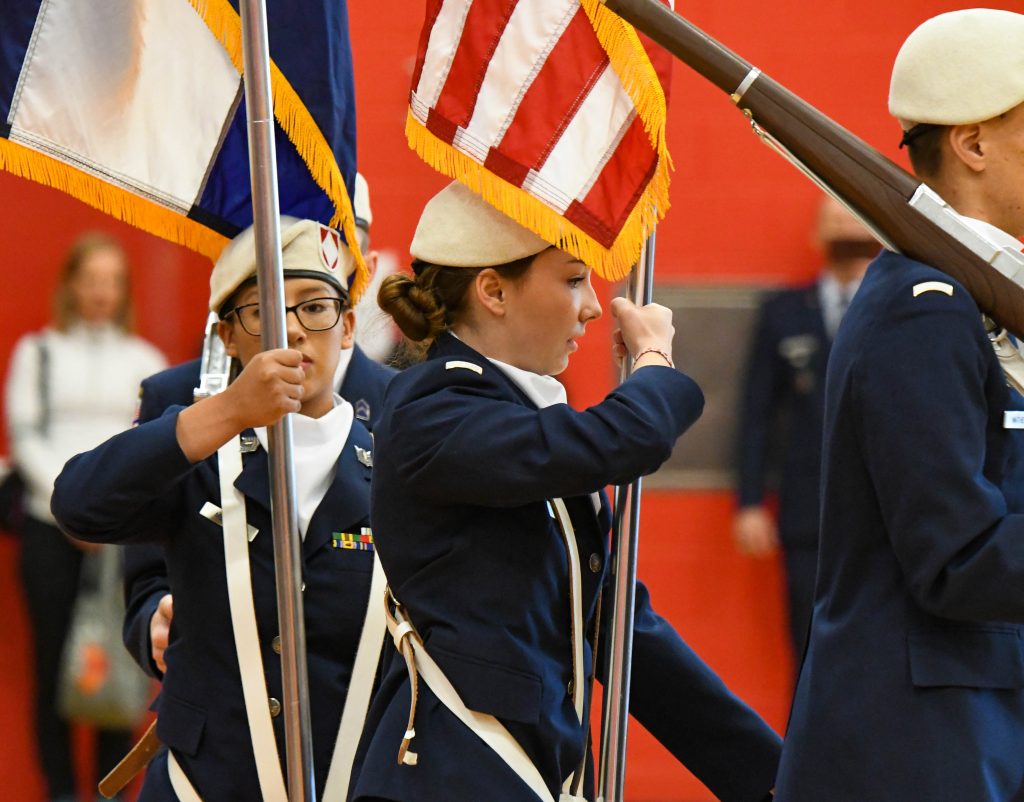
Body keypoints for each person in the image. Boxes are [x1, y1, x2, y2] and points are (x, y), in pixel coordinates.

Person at [348, 182, 782, 802]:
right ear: (493, 290)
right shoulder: (432, 410)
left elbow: (623, 629)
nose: (595, 308)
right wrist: (654, 358)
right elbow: (617, 441)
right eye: (574, 279)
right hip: (451, 776)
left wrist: (776, 779)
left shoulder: (517, 417)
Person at [775, 9, 1024, 801]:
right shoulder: (926, 306)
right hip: (925, 749)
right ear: (973, 144)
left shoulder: (964, 300)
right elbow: (956, 558)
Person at [51, 217, 386, 801]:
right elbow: (80, 505)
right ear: (227, 337)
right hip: (205, 778)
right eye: (264, 311)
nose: (292, 330)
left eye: (315, 308)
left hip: (355, 775)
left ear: (349, 326)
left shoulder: (398, 454)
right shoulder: (199, 447)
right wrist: (230, 410)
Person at [121, 175, 395, 681]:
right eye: (274, 233)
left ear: (368, 267)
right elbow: (143, 570)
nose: (294, 246)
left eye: (331, 236)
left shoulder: (403, 405)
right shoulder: (181, 397)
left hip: (362, 723)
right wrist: (154, 621)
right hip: (225, 715)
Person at [5, 232, 166, 802]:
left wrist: (105, 514)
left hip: (120, 537)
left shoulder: (146, 362)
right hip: (50, 534)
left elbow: (149, 448)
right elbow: (24, 436)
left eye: (112, 281)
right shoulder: (38, 352)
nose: (101, 292)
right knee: (53, 667)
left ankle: (110, 792)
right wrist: (71, 508)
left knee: (118, 664)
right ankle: (59, 792)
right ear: (72, 285)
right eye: (91, 279)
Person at [733, 196, 877, 658]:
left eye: (855, 220)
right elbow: (756, 414)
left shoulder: (898, 309)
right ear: (817, 237)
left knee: (879, 653)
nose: (846, 231)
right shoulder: (784, 312)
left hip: (886, 514)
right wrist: (751, 502)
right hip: (807, 513)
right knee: (810, 646)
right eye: (835, 222)